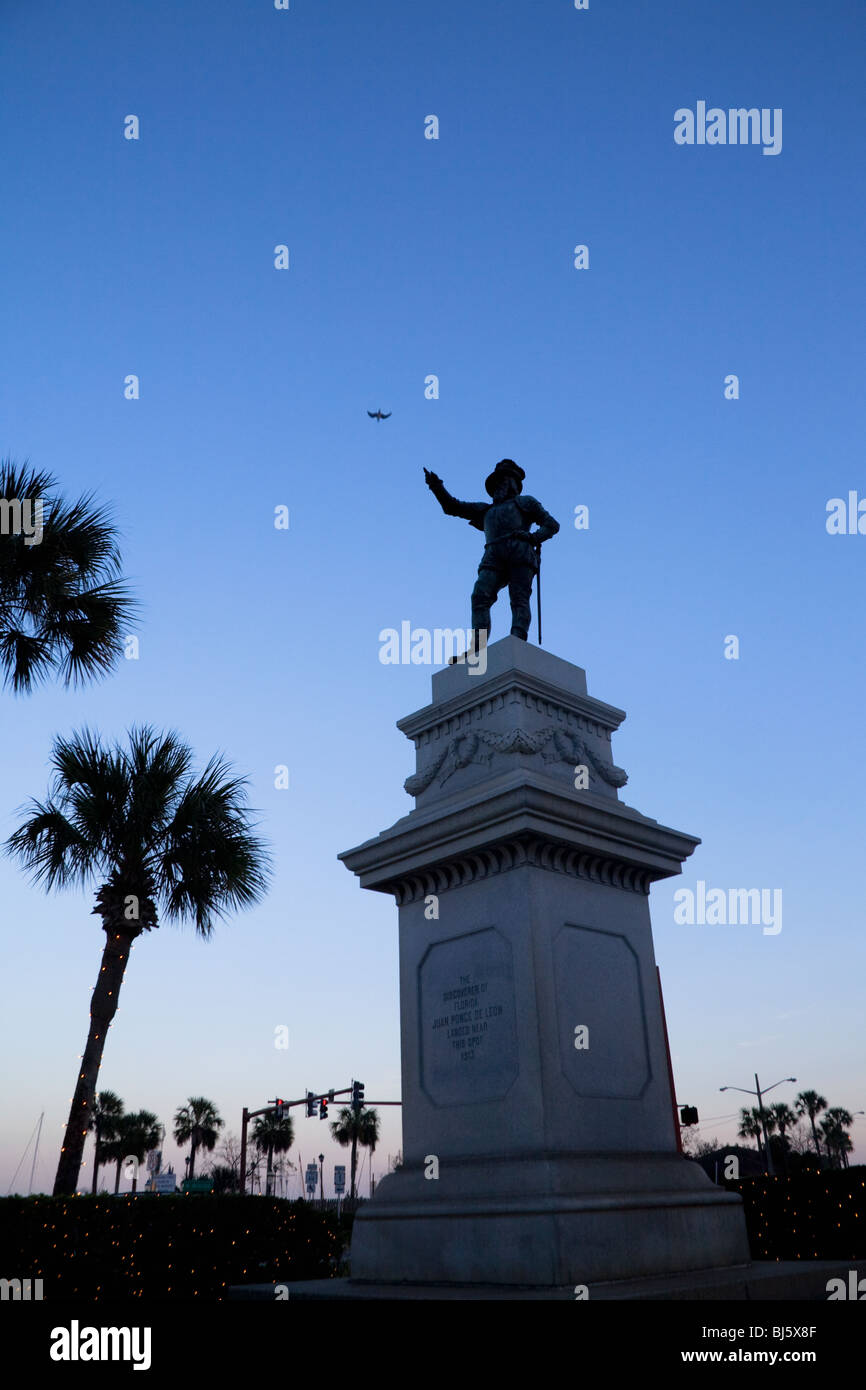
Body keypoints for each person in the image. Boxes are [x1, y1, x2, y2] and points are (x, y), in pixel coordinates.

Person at [423, 459, 559, 650]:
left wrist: (533, 537)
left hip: (520, 551)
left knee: (519, 598)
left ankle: (517, 640)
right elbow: (452, 506)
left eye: (502, 481)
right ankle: (478, 647)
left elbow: (552, 524)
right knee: (480, 595)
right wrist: (436, 487)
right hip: (493, 553)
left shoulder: (525, 502)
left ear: (512, 483)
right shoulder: (486, 510)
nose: (498, 486)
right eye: (495, 483)